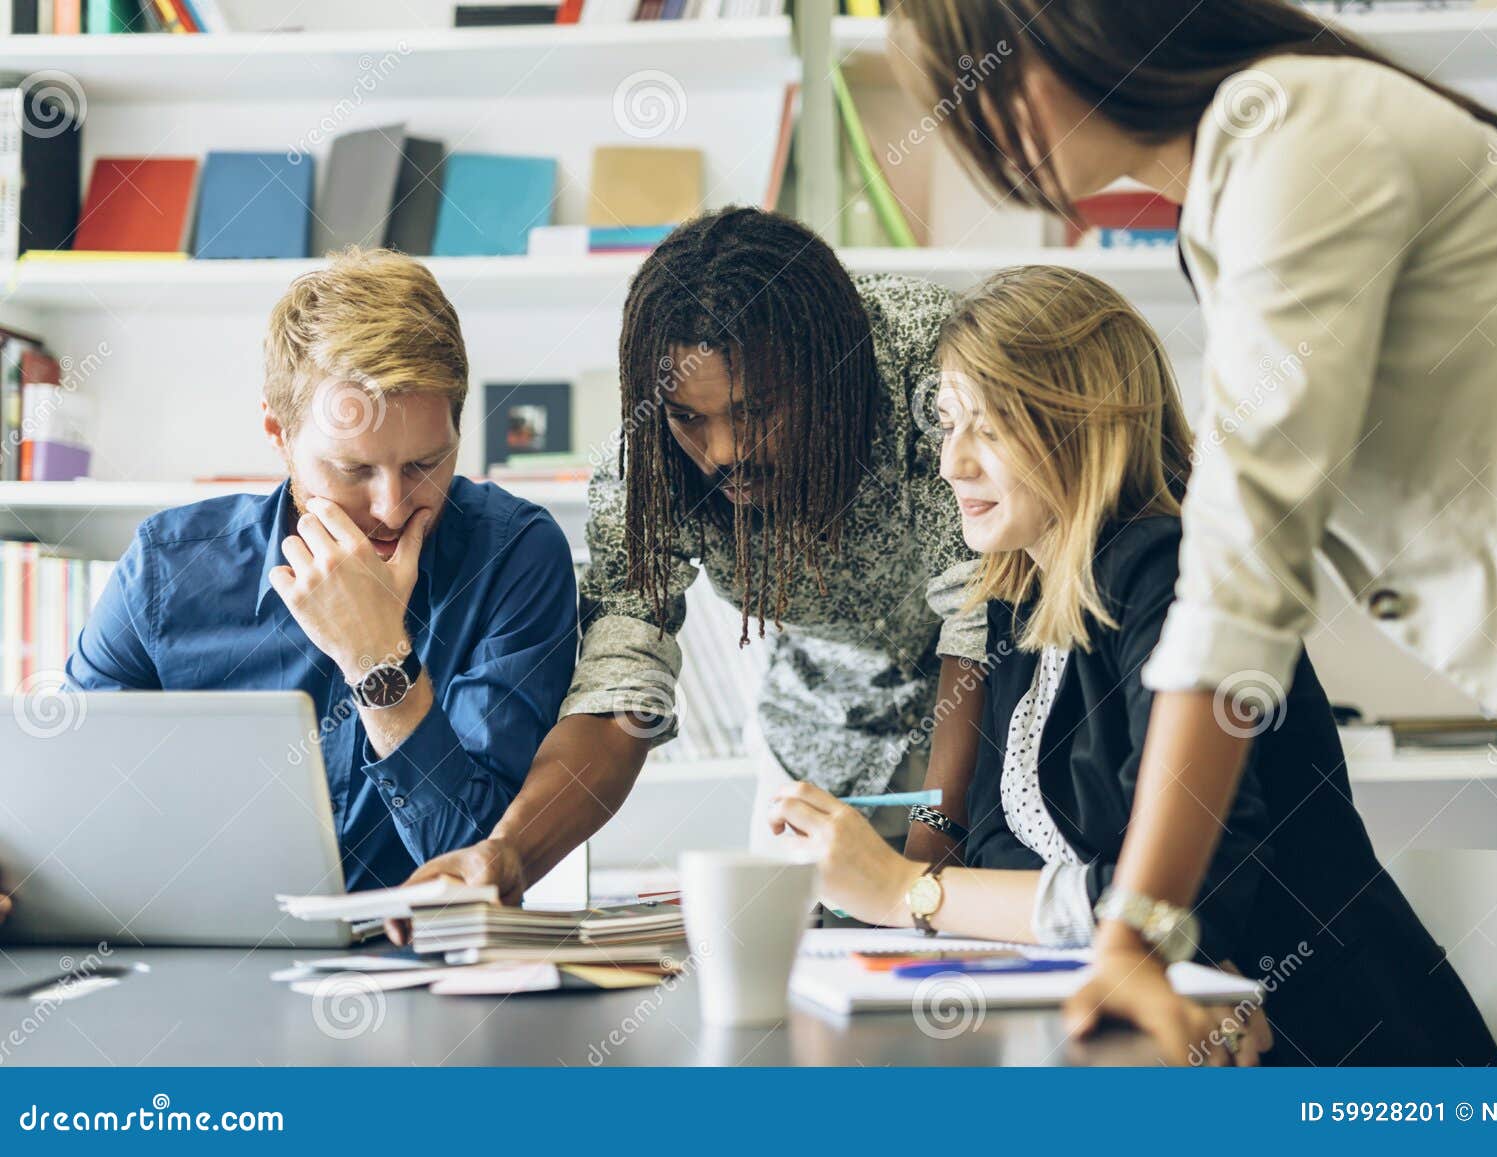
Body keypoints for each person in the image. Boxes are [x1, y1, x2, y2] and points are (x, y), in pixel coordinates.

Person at [889, 0, 1497, 1064]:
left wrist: (1135, 928)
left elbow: (1243, 569)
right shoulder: (1234, 190)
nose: (971, 132)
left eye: (979, 85)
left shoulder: (1291, 137)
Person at [768, 265, 1497, 1067]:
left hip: (1339, 1048)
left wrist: (906, 889)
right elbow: (1002, 853)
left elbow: (1189, 901)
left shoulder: (1168, 572)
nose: (952, 462)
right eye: (946, 425)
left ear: (1082, 426)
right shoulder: (1021, 599)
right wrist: (1019, 898)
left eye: (989, 427)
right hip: (1177, 1040)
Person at [388, 207, 985, 925]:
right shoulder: (649, 463)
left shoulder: (930, 371)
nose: (724, 451)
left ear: (827, 378)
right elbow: (622, 683)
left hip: (993, 723)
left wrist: (922, 869)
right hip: (820, 730)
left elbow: (979, 620)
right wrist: (509, 855)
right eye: (690, 417)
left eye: (756, 410)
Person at [0, 249, 578, 908]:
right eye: (354, 470)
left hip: (419, 960)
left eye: (425, 463)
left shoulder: (514, 558)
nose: (392, 507)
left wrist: (377, 660)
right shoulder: (166, 570)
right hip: (198, 951)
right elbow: (69, 810)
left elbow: (478, 867)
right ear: (278, 432)